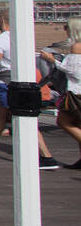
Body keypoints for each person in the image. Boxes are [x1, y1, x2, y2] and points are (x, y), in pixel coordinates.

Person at [0, 10, 58, 168]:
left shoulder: (0, 40)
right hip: (28, 79)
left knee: (23, 117)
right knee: (1, 116)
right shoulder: (24, 37)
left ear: (2, 20)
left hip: (8, 81)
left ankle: (46, 157)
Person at [40, 40, 81, 168]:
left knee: (63, 121)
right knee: (78, 124)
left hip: (76, 93)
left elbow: (74, 72)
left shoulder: (77, 46)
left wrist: (53, 61)